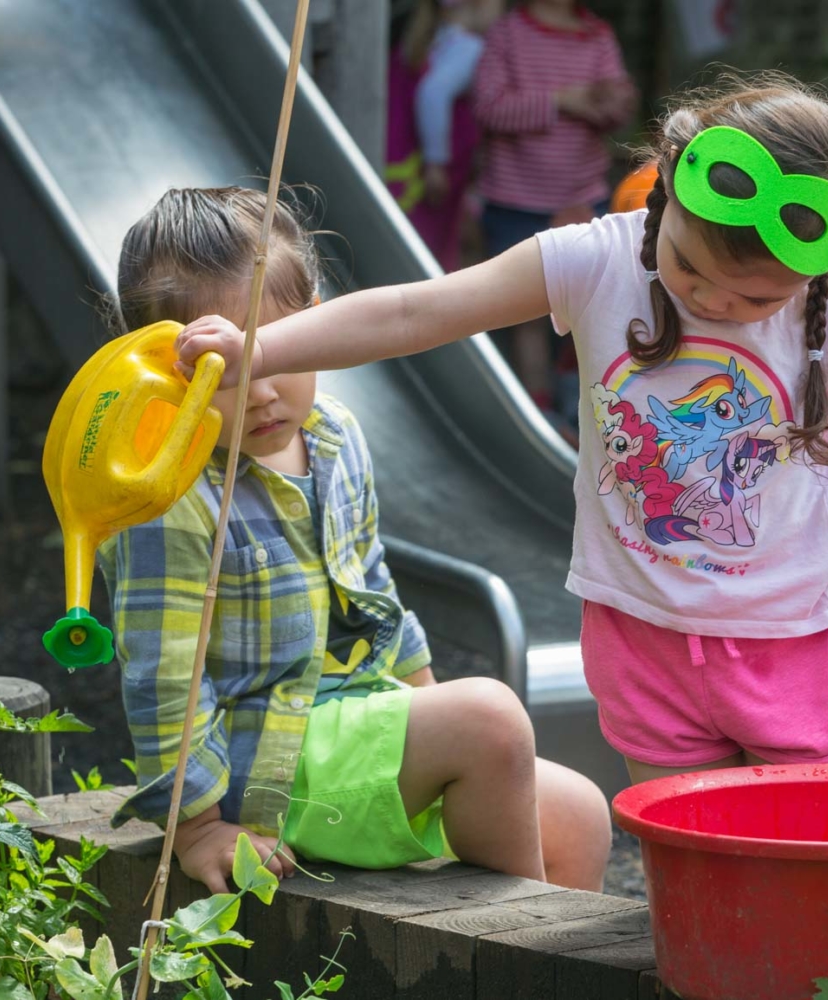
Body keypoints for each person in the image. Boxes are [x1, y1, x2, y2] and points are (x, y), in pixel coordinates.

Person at [174, 79, 828, 788]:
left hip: (794, 646)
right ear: (665, 186)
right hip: (642, 641)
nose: (714, 305)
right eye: (692, 268)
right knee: (693, 879)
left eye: (755, 300)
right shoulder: (595, 261)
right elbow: (414, 309)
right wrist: (261, 347)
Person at [105, 187, 611, 893]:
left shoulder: (333, 437)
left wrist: (427, 715)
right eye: (223, 375)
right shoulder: (172, 496)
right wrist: (195, 827)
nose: (259, 393)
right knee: (489, 718)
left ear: (315, 328)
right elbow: (162, 677)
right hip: (265, 770)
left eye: (274, 354)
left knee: (580, 814)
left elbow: (371, 588)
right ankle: (508, 956)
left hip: (353, 720)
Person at [472, 0, 635, 434]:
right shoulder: (509, 33)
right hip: (516, 198)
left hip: (583, 194)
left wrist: (611, 104)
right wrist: (565, 101)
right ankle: (536, 413)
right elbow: (489, 108)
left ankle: (586, 404)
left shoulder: (596, 35)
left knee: (592, 303)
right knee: (524, 310)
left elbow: (617, 108)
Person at [384, 0, 503, 272]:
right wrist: (436, 161)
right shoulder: (470, 47)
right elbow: (433, 93)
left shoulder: (426, 38)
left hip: (404, 165)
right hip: (433, 171)